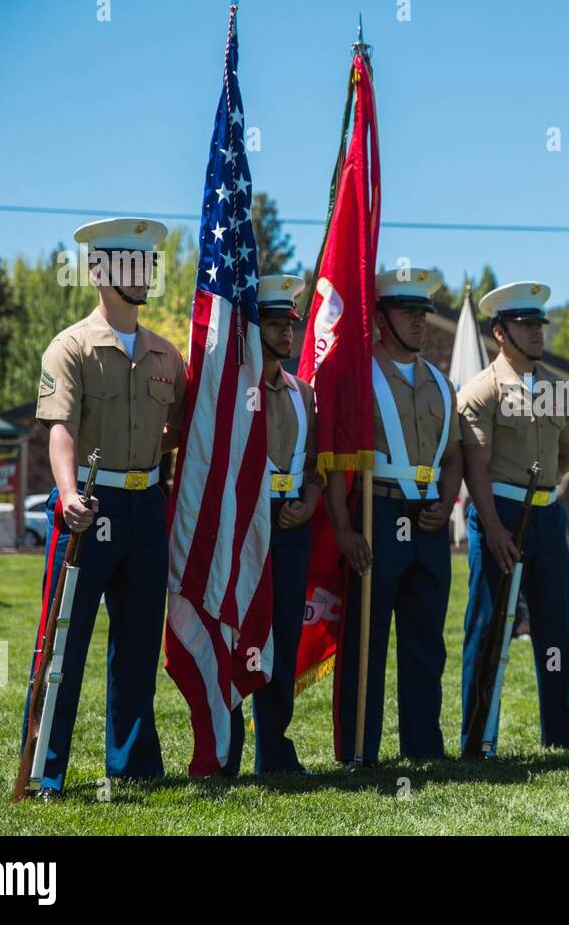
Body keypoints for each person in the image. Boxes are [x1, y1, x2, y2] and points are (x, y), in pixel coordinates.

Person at [23, 217, 185, 799]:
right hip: (88, 506)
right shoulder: (69, 346)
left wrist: (149, 458)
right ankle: (45, 770)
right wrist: (68, 494)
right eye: (131, 264)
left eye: (148, 264)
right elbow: (59, 430)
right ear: (100, 271)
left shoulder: (168, 355)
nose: (144, 274)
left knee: (139, 642)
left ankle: (134, 766)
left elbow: (180, 429)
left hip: (147, 505)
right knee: (63, 643)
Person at [329, 269, 463, 764]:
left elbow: (454, 458)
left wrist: (446, 504)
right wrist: (343, 527)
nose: (419, 322)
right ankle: (359, 751)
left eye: (423, 312)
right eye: (408, 312)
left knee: (426, 641)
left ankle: (424, 748)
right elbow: (337, 458)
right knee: (366, 640)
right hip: (376, 513)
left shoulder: (442, 385)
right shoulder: (358, 379)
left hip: (428, 521)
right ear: (381, 318)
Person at [458, 281, 569, 754]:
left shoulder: (562, 391)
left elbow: (567, 455)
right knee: (488, 624)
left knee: (554, 627)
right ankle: (475, 737)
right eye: (525, 325)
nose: (536, 332)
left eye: (539, 324)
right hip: (500, 512)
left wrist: (545, 493)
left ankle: (559, 732)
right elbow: (475, 465)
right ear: (500, 333)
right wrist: (492, 527)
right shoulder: (481, 391)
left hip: (546, 515)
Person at [221, 275, 321, 776]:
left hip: (290, 526)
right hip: (245, 526)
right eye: (276, 324)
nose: (287, 333)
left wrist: (308, 502)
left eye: (291, 324)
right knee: (242, 635)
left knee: (283, 633)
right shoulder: (235, 391)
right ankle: (228, 748)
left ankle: (275, 748)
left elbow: (316, 467)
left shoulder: (305, 393)